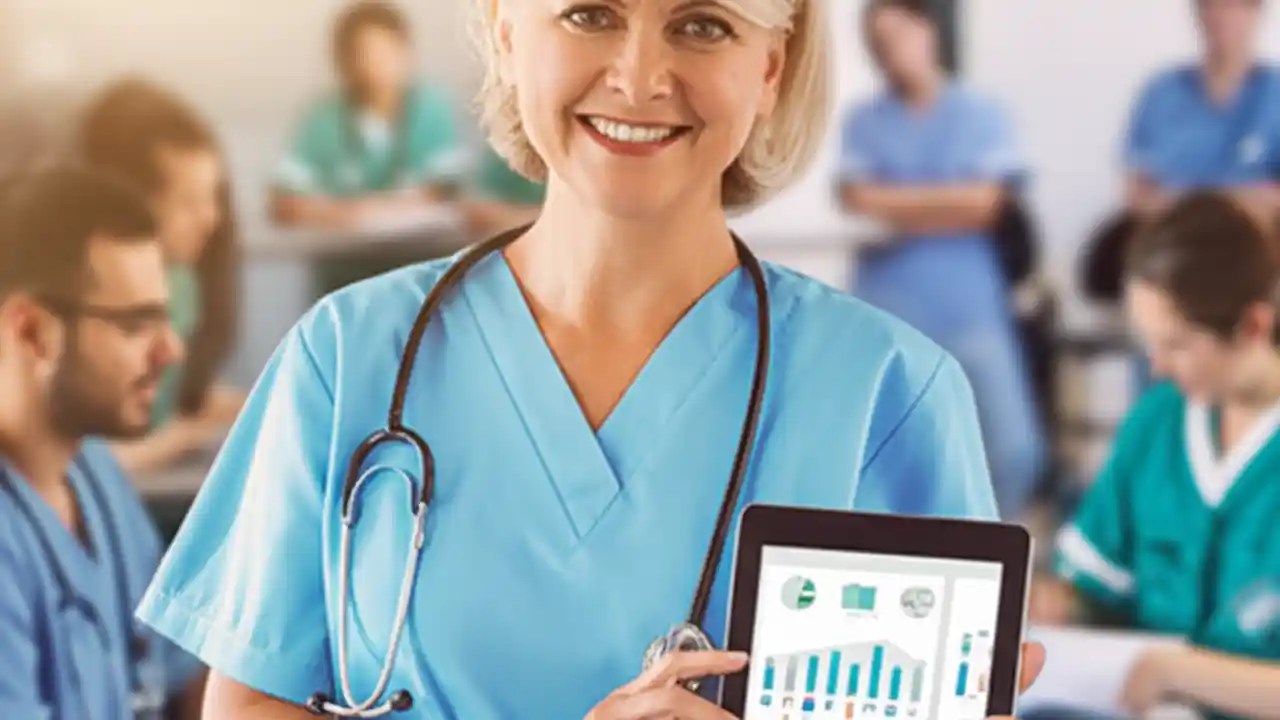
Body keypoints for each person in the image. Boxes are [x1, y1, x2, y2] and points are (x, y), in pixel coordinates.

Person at [137, 0, 1041, 717]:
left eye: (702, 25)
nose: (641, 77)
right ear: (504, 31)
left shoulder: (888, 393)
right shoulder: (348, 358)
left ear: (770, 67)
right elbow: (252, 701)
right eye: (589, 14)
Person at [1031, 193, 1280, 719]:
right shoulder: (1157, 422)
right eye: (1149, 345)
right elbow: (1096, 585)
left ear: (1253, 328)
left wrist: (1178, 670)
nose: (1158, 367)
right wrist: (1060, 603)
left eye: (1178, 344)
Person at [0, 167, 206, 718]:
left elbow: (182, 679)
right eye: (137, 324)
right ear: (31, 331)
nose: (170, 351)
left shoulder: (92, 474)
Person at [836, 0, 1047, 520]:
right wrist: (952, 201)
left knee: (1015, 448)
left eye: (899, 34)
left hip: (970, 307)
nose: (891, 52)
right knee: (884, 452)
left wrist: (898, 204)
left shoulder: (981, 112)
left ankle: (990, 547)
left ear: (929, 31)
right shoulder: (864, 121)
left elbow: (989, 205)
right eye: (878, 42)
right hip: (888, 307)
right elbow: (857, 199)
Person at [78, 78, 245, 476]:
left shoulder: (183, 282)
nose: (211, 219)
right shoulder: (84, 306)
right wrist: (184, 436)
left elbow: (167, 404)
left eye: (213, 198)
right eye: (189, 202)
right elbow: (76, 467)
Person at [271, 0, 464, 229]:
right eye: (365, 53)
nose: (377, 64)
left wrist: (377, 210)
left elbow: (447, 192)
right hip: (341, 258)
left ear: (406, 51)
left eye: (386, 50)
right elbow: (285, 201)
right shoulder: (323, 117)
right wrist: (350, 214)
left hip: (420, 256)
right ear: (344, 60)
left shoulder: (431, 111)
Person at [1125, 0, 1280, 221]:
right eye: (1208, 5)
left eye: (1231, 6)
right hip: (1174, 242)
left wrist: (1197, 200)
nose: (1219, 16)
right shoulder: (1162, 92)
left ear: (1255, 11)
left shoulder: (1274, 94)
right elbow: (1137, 194)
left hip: (1257, 244)